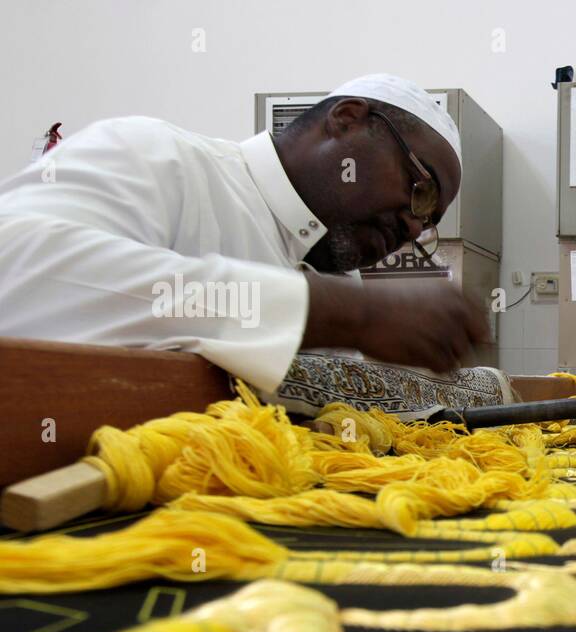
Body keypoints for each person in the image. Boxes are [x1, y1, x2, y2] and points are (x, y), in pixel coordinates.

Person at [0, 74, 488, 393]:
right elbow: (18, 276)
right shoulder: (160, 159)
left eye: (429, 221)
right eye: (421, 190)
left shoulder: (344, 284)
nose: (412, 225)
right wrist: (337, 315)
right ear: (347, 120)